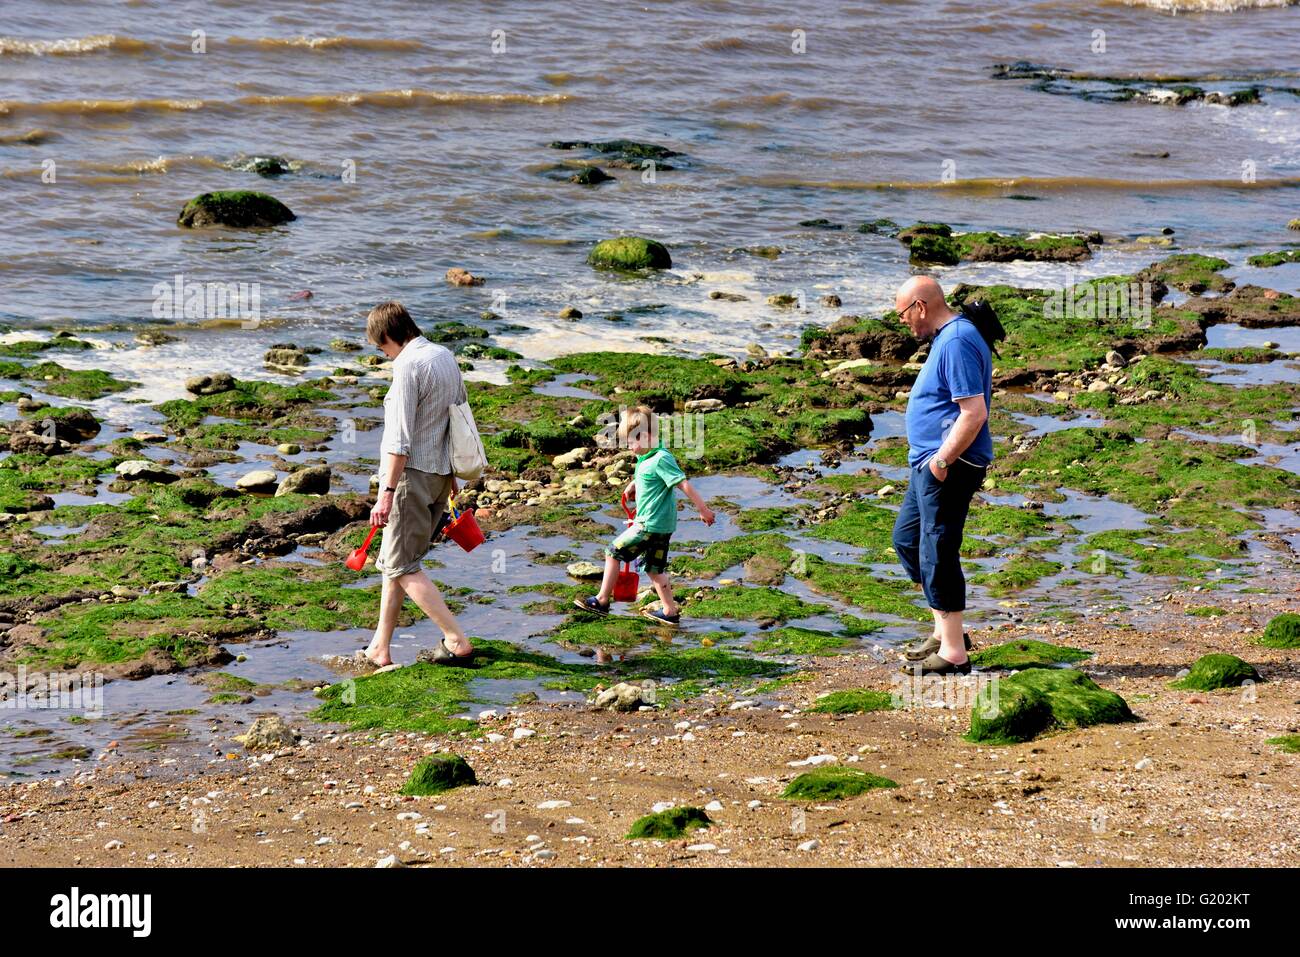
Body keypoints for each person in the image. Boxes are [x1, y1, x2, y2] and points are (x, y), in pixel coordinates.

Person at [361, 301, 474, 668]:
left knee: (403, 566)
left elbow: (399, 440)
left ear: (390, 336)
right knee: (396, 561)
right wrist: (453, 478)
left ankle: (456, 639)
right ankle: (380, 646)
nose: (385, 355)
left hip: (411, 480)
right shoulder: (443, 355)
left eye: (382, 348)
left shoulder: (407, 366)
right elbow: (458, 417)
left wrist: (386, 495)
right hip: (441, 475)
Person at [890, 276, 993, 675]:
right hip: (928, 463)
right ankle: (946, 632)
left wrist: (942, 461)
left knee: (938, 550)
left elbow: (974, 412)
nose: (902, 322)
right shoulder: (950, 337)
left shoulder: (955, 341)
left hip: (949, 464)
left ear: (920, 306)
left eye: (902, 314)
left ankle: (954, 654)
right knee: (908, 540)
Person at [575, 405, 715, 627]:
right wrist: (634, 485)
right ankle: (669, 611)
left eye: (631, 441)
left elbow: (683, 484)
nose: (629, 447)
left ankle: (602, 600)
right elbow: (647, 475)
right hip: (662, 526)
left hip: (648, 525)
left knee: (612, 552)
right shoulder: (646, 458)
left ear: (646, 436)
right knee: (654, 569)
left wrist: (703, 510)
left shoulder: (660, 458)